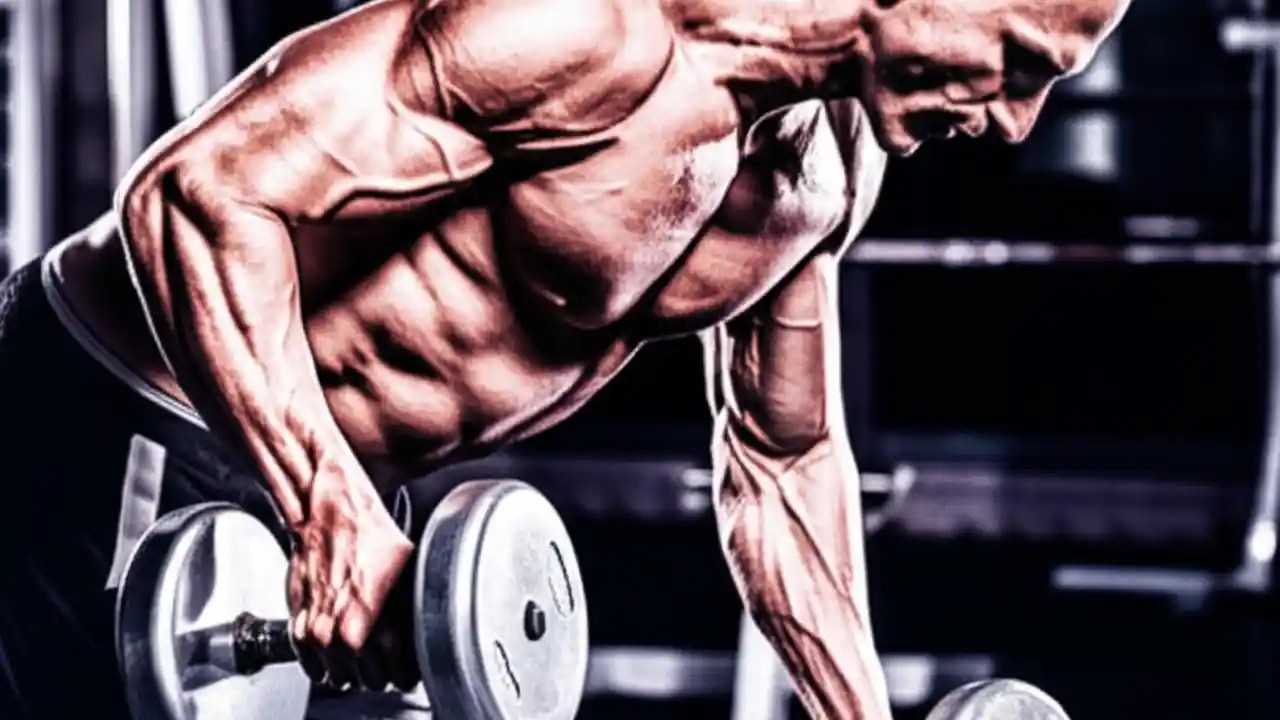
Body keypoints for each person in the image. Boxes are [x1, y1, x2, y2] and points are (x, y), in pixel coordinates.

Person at [0, 0, 1130, 717]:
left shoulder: (827, 170)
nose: (1018, 122)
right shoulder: (587, 32)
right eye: (1020, 60)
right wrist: (331, 514)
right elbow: (198, 195)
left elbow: (784, 464)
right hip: (136, 411)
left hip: (345, 486)